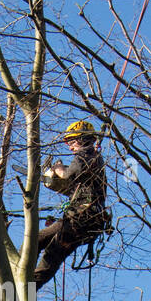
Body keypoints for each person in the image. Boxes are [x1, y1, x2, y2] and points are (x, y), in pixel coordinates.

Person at [34, 121, 108, 288]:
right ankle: (23, 287)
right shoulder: (93, 161)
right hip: (83, 219)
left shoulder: (86, 156)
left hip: (81, 218)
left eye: (71, 142)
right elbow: (74, 187)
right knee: (44, 247)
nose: (69, 147)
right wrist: (53, 183)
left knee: (44, 248)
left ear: (82, 139)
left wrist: (58, 169)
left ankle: (21, 287)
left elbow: (68, 176)